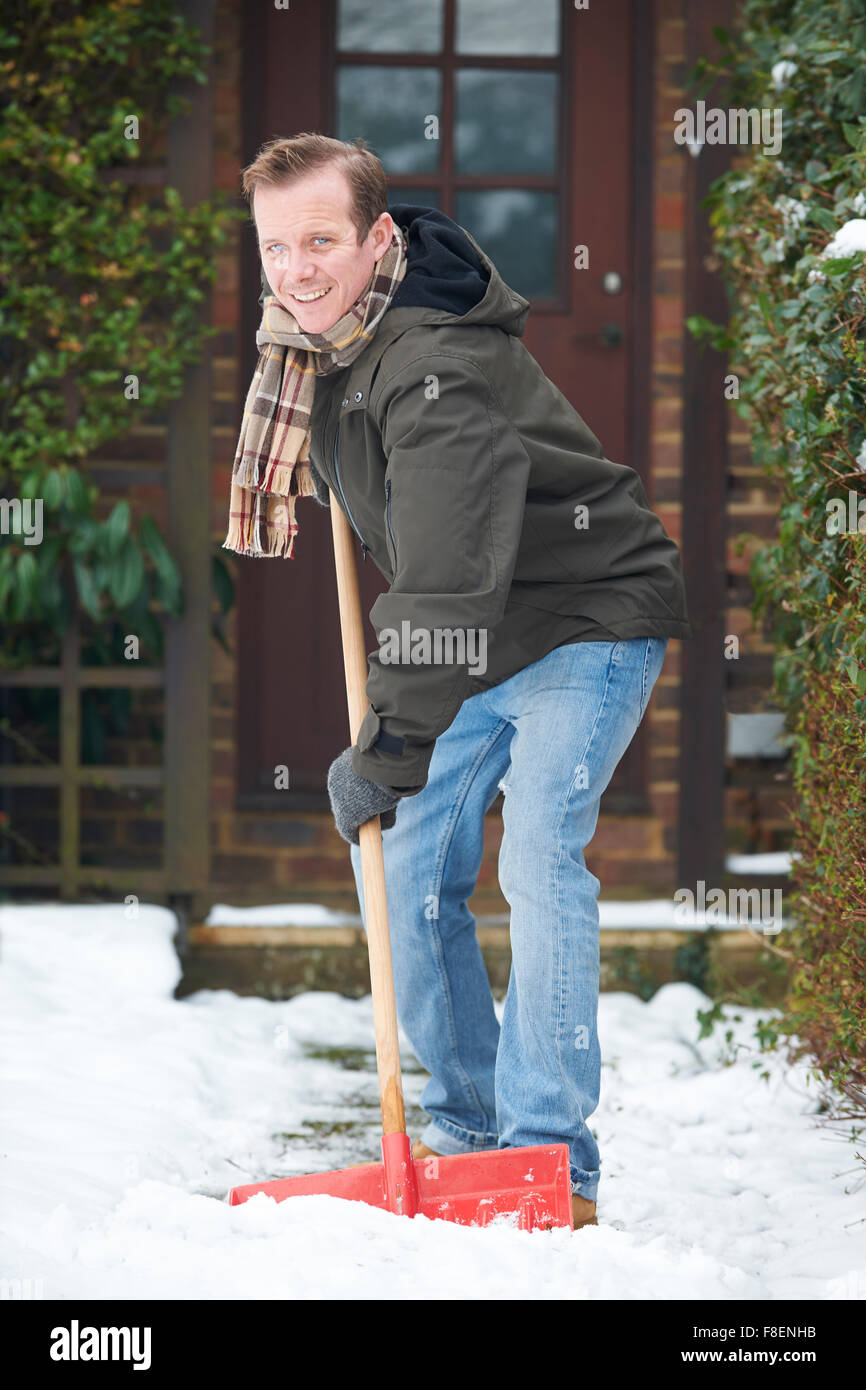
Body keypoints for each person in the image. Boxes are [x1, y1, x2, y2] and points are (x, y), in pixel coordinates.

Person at [224, 133, 693, 1230]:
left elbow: (440, 588)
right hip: (481, 634)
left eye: (321, 242)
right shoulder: (322, 350)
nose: (295, 271)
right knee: (410, 868)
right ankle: (472, 1130)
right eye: (275, 246)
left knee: (537, 851)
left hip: (585, 614)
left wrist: (385, 747)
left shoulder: (435, 368)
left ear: (378, 238)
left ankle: (549, 1158)